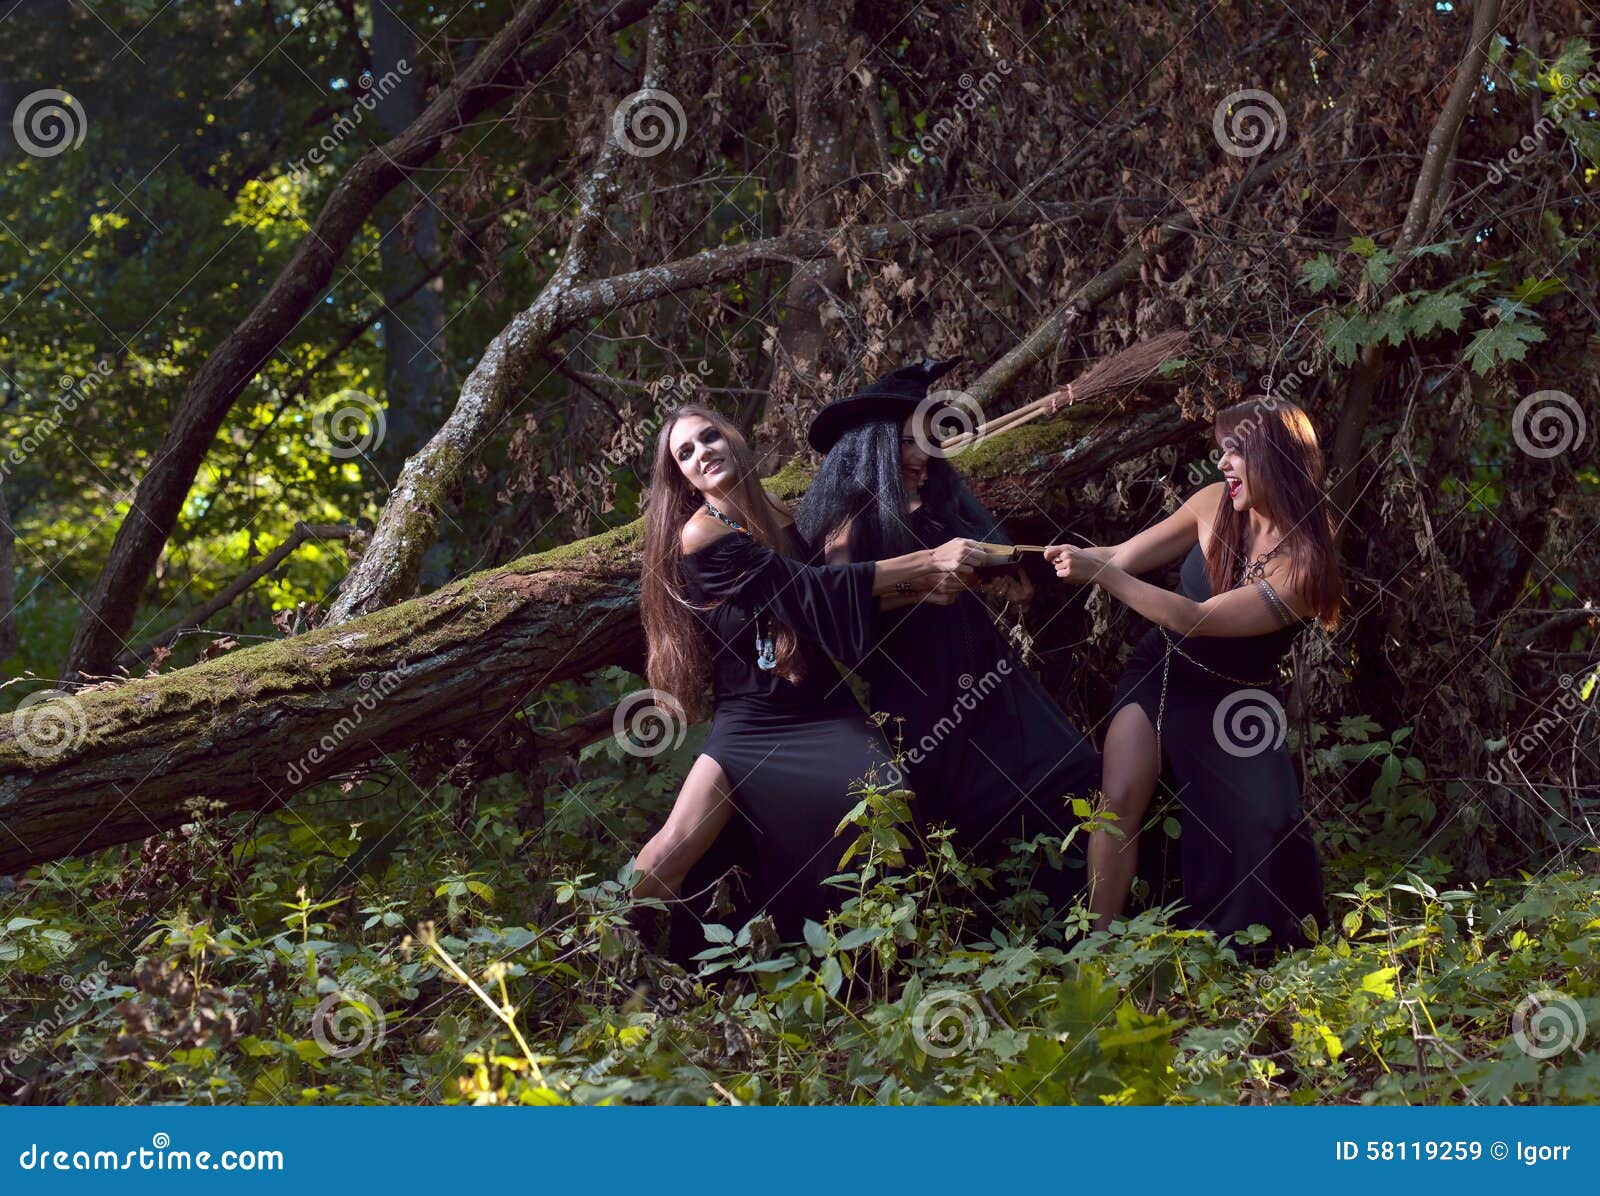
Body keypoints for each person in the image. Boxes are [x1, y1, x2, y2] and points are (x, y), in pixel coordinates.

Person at [629, 403, 986, 953]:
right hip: (753, 723)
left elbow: (826, 605)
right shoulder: (702, 535)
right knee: (671, 851)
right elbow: (808, 592)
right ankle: (600, 951)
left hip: (821, 707)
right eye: (686, 452)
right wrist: (927, 563)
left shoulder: (781, 512)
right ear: (680, 475)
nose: (703, 453)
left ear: (733, 435)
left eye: (708, 437)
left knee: (889, 802)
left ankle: (877, 957)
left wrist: (919, 591)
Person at [798, 359, 1102, 911]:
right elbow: (835, 599)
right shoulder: (848, 517)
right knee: (960, 810)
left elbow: (998, 570)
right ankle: (988, 936)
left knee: (1071, 771)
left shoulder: (942, 499)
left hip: (988, 670)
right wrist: (917, 587)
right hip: (919, 687)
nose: (924, 457)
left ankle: (1073, 922)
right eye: (910, 444)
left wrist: (1009, 580)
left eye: (929, 441)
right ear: (876, 448)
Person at [1044, 397, 1343, 951]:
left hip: (1235, 700)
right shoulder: (1212, 503)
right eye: (1221, 452)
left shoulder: (1304, 564)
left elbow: (1198, 618)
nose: (1223, 465)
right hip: (1161, 670)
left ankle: (1249, 948)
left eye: (1236, 453)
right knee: (1117, 800)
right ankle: (1094, 948)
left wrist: (1101, 574)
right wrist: (1064, 558)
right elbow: (1123, 556)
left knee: (1265, 824)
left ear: (1276, 459)